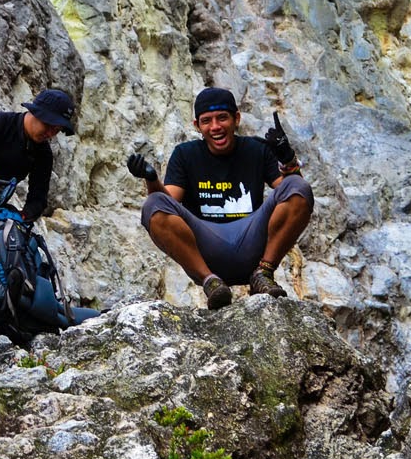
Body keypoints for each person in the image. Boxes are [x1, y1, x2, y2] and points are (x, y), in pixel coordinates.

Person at [128, 87, 313, 309]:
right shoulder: (185, 154)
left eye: (222, 118)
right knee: (153, 204)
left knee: (299, 186)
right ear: (197, 126)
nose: (215, 126)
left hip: (252, 242)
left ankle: (263, 273)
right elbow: (166, 203)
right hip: (207, 247)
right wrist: (151, 179)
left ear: (236, 119)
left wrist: (287, 159)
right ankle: (211, 282)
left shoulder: (256, 149)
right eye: (206, 121)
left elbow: (296, 195)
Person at [0, 88, 76, 222]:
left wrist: (21, 218)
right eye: (48, 125)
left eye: (56, 130)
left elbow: (38, 200)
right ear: (35, 112)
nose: (50, 134)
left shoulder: (43, 154)